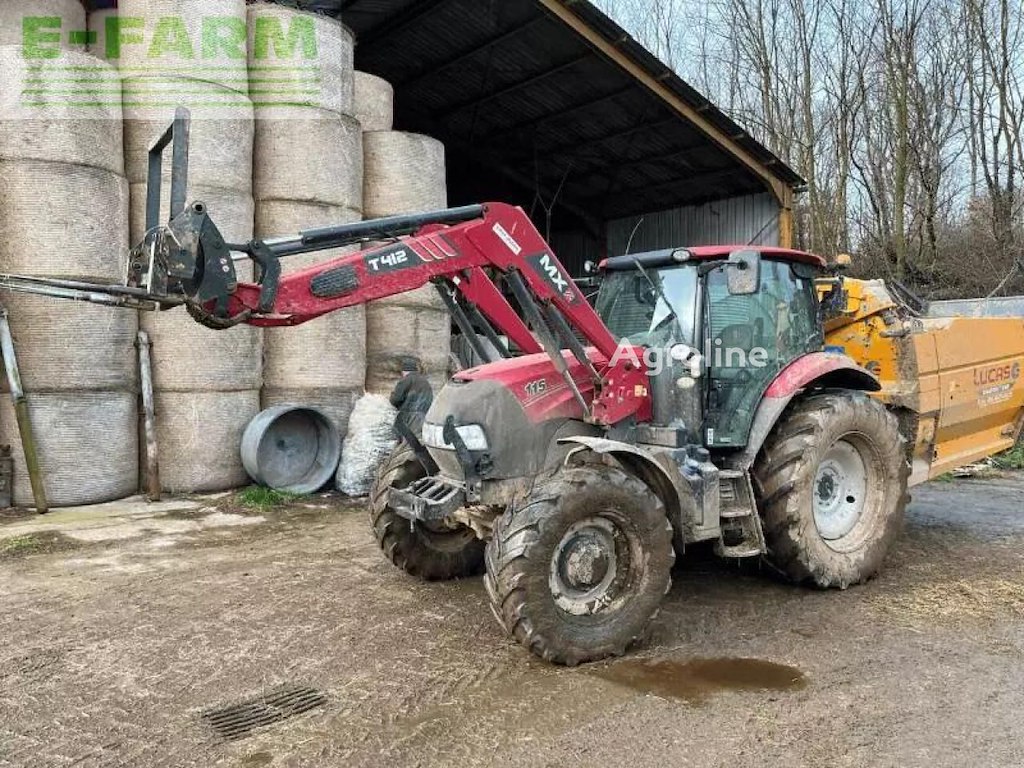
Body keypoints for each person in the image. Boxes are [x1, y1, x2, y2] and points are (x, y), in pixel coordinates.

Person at [389, 356, 434, 437]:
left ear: (403, 371)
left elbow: (395, 399)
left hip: (409, 418)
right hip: (424, 417)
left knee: (405, 443)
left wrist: (392, 396)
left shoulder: (405, 380)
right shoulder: (425, 382)